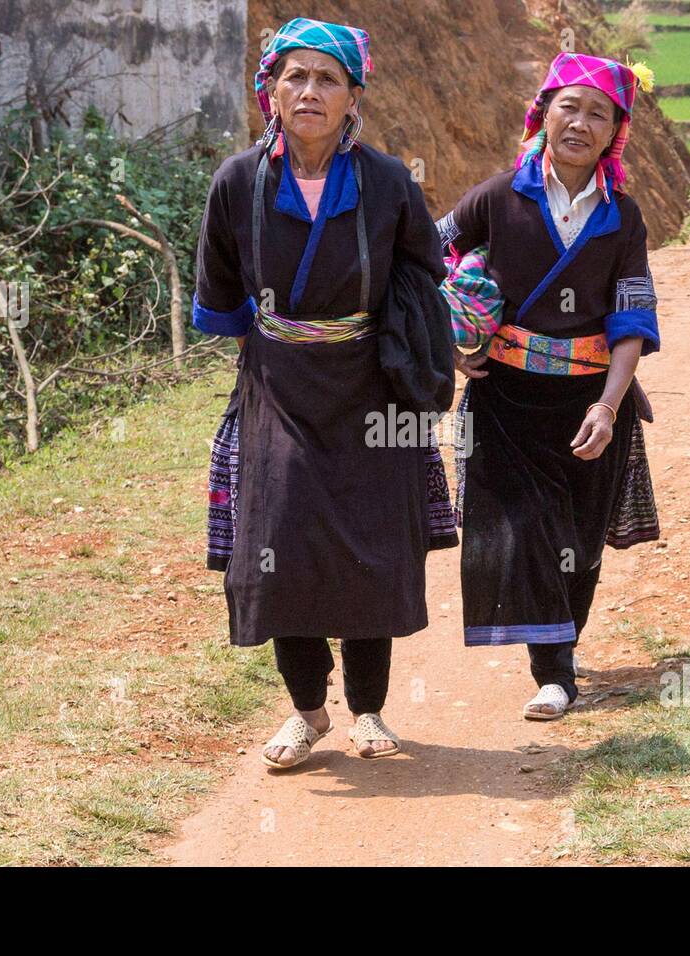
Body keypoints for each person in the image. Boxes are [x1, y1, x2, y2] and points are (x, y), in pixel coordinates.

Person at [194, 17, 455, 768]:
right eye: (295, 77)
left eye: (327, 79)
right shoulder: (238, 183)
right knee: (281, 542)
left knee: (371, 546)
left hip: (372, 391)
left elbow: (423, 277)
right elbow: (225, 302)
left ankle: (368, 710)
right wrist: (279, 352)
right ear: (269, 90)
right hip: (277, 390)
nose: (309, 91)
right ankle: (308, 711)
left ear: (352, 98)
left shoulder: (388, 183)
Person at [438, 52, 661, 720]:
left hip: (590, 402)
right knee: (528, 528)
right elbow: (428, 251)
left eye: (598, 112)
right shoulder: (496, 198)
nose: (581, 123)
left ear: (614, 131)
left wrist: (609, 403)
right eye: (570, 106)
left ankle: (562, 647)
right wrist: (456, 332)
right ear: (544, 116)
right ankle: (555, 672)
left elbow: (633, 318)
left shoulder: (622, 217)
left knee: (580, 538)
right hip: (506, 397)